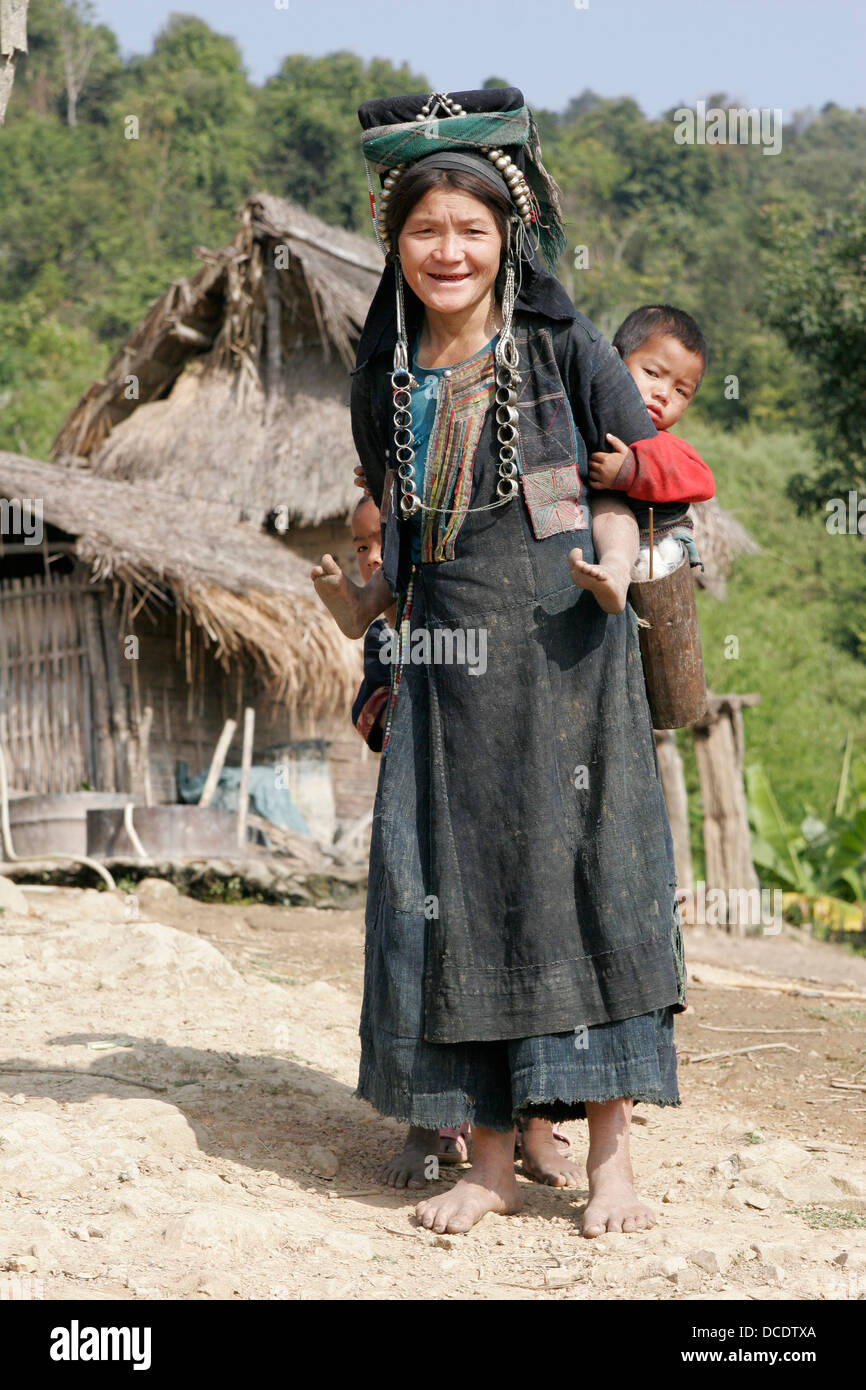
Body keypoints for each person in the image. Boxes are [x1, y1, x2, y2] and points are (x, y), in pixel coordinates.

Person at [311, 86, 687, 1237]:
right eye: (426, 231)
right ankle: (485, 1158)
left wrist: (610, 518)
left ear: (505, 237)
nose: (447, 250)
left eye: (469, 230)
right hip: (446, 661)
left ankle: (609, 1159)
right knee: (458, 887)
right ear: (396, 243)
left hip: (566, 646)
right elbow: (396, 527)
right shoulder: (382, 372)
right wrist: (372, 623)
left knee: (586, 871)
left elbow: (654, 456)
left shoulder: (562, 342)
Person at [588, 304, 715, 569]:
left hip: (657, 552)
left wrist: (630, 470)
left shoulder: (663, 444)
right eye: (652, 374)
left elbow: (703, 481)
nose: (663, 393)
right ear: (613, 363)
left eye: (681, 391)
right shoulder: (588, 414)